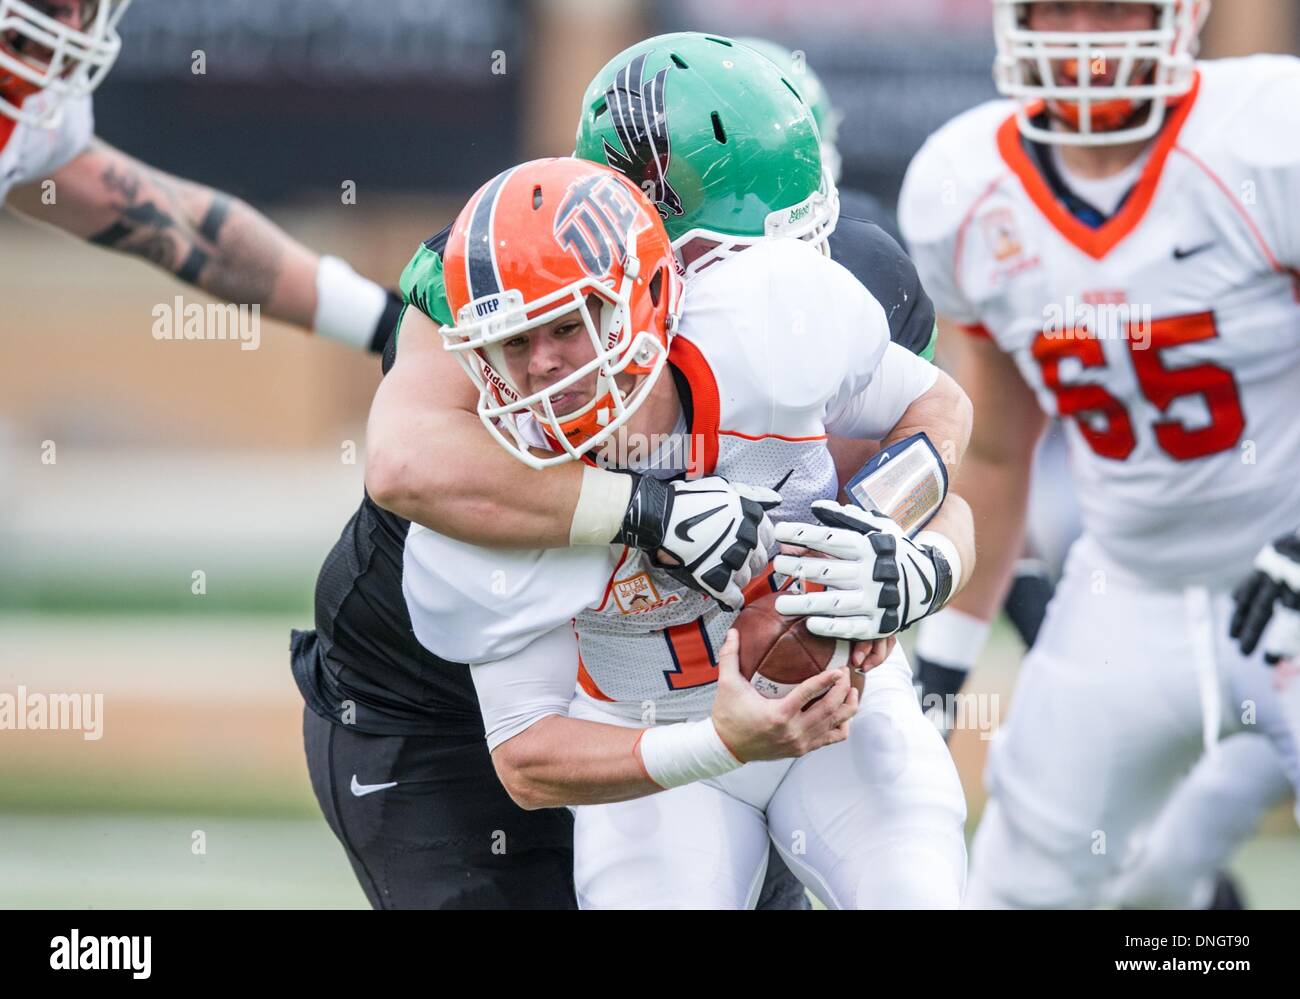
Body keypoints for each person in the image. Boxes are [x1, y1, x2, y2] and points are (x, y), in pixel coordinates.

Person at [395, 153, 973, 909]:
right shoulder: (490, 484)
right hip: (659, 756)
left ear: (652, 294)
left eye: (568, 324)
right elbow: (527, 759)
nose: (541, 367)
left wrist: (911, 552)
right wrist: (720, 743)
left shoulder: (765, 326)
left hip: (843, 707)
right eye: (514, 342)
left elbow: (942, 413)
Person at [899, 0, 1300, 908]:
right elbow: (997, 452)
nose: (1085, 38)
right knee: (1021, 885)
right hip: (1130, 588)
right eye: (1059, 9)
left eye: (1115, 8)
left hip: (1291, 576)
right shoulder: (964, 188)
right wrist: (947, 660)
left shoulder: (1268, 139)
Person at [3, 0, 400, 353]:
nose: (70, 27)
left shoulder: (32, 122)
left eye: (83, 8)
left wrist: (392, 327)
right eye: (46, 6)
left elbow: (194, 231)